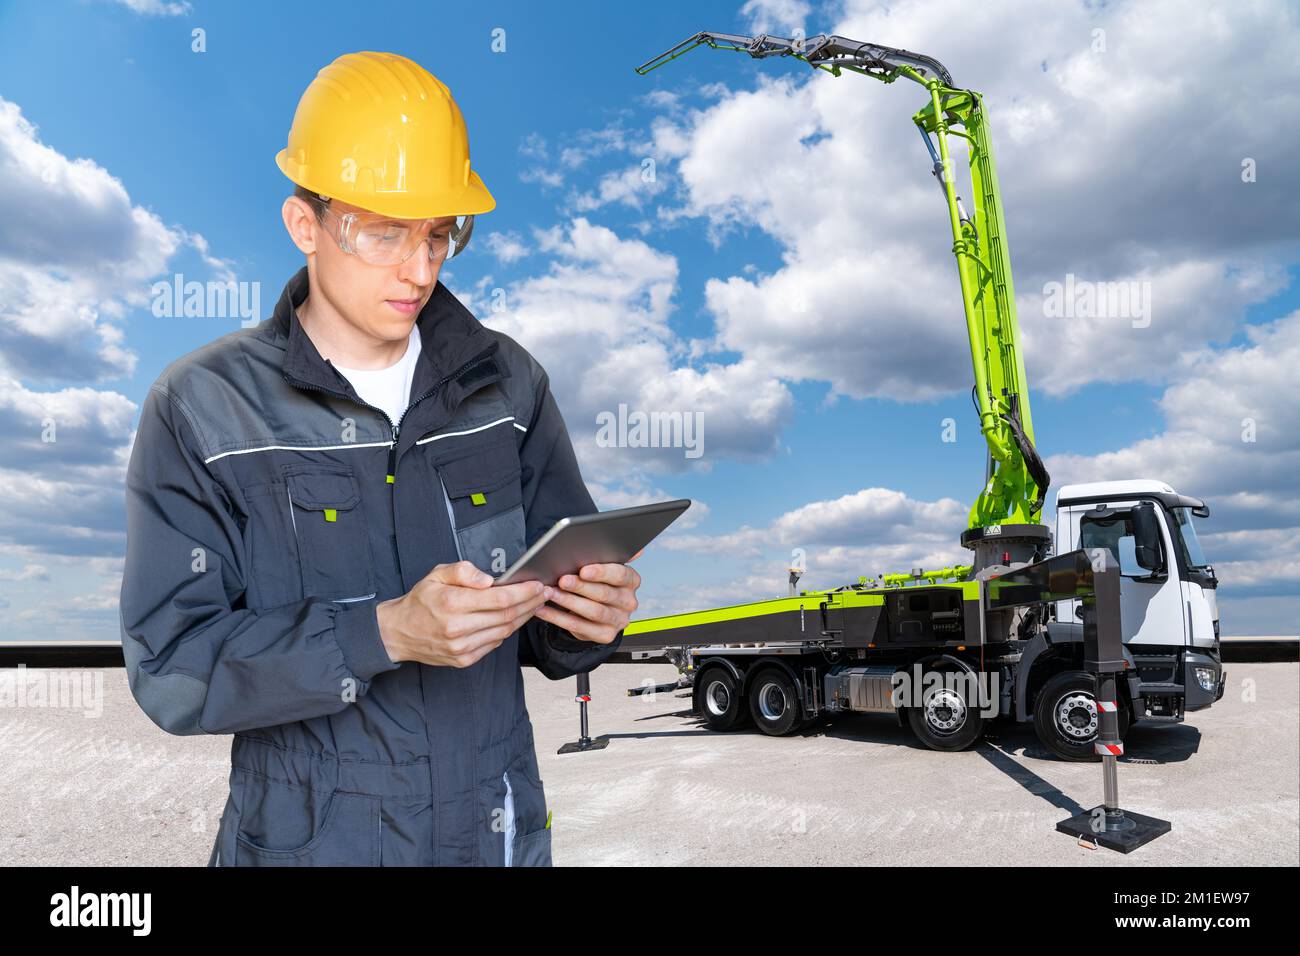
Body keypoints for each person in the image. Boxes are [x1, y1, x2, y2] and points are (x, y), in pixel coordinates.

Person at [118, 50, 639, 866]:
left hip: (495, 835)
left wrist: (587, 624)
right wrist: (382, 634)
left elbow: (550, 624)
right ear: (305, 224)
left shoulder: (508, 385)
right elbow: (173, 670)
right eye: (384, 231)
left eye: (440, 233)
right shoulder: (202, 407)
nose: (420, 267)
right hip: (309, 846)